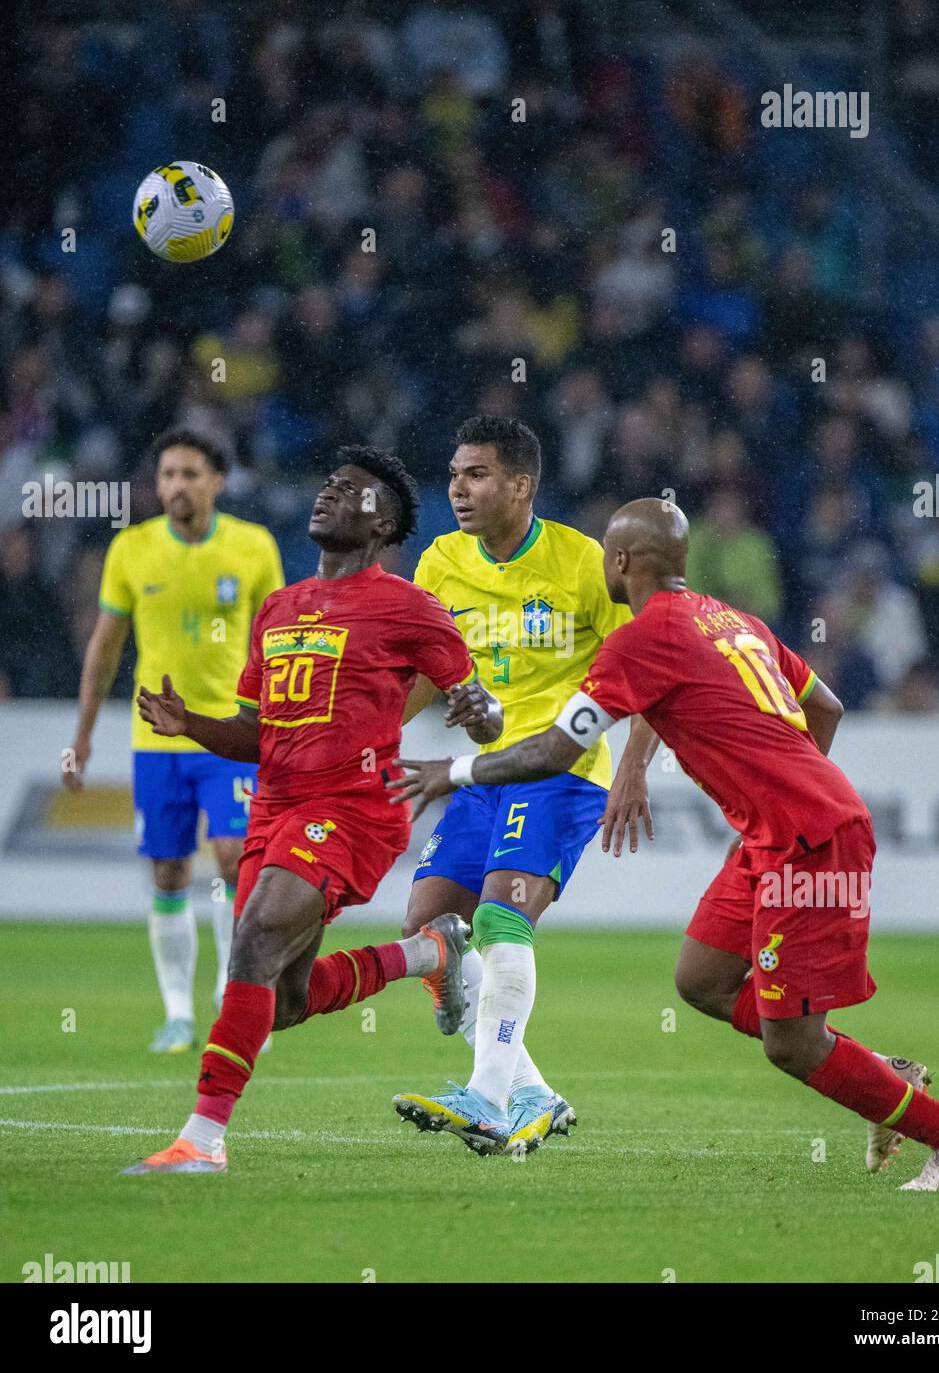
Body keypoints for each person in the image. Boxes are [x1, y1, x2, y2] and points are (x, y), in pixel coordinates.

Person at [390, 498, 939, 1192]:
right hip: (775, 833)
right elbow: (824, 706)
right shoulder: (731, 621)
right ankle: (886, 1078)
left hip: (810, 841)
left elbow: (558, 748)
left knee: (793, 1045)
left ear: (620, 562)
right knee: (702, 980)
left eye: (605, 554)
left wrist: (454, 770)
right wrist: (778, 790)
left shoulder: (641, 637)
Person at [122, 446, 502, 1175]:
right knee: (284, 997)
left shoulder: (410, 608)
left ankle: (201, 1141)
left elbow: (481, 713)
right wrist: (189, 723)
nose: (329, 494)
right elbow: (255, 734)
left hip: (353, 808)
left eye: (350, 491)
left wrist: (476, 709)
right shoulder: (280, 608)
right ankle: (427, 953)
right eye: (328, 484)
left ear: (383, 522)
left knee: (256, 935)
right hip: (275, 806)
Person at [390, 415, 658, 1156]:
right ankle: (534, 1093)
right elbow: (423, 673)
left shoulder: (582, 564)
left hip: (560, 769)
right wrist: (369, 739)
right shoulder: (442, 562)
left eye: (475, 474)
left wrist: (632, 767)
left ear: (520, 484)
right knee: (429, 926)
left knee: (503, 921)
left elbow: (649, 669)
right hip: (482, 773)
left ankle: (484, 1097)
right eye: (452, 475)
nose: (457, 489)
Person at [64, 429, 284, 1052]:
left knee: (235, 859)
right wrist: (82, 736)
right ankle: (177, 1013)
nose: (176, 486)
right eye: (166, 475)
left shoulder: (253, 546)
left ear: (218, 480)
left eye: (190, 474)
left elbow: (277, 641)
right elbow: (105, 647)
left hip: (230, 734)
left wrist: (281, 722)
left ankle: (231, 999)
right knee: (167, 871)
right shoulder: (132, 550)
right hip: (156, 739)